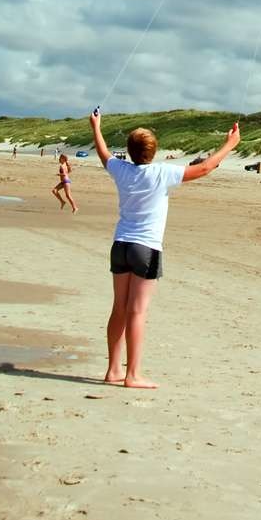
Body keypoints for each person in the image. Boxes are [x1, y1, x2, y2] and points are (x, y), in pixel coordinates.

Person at [90, 107, 239, 388]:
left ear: (131, 151)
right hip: (145, 249)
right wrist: (230, 144)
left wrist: (96, 126)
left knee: (119, 308)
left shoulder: (122, 170)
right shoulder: (161, 173)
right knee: (137, 311)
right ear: (153, 151)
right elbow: (205, 168)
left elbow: (103, 154)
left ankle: (113, 370)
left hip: (121, 246)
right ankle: (131, 374)